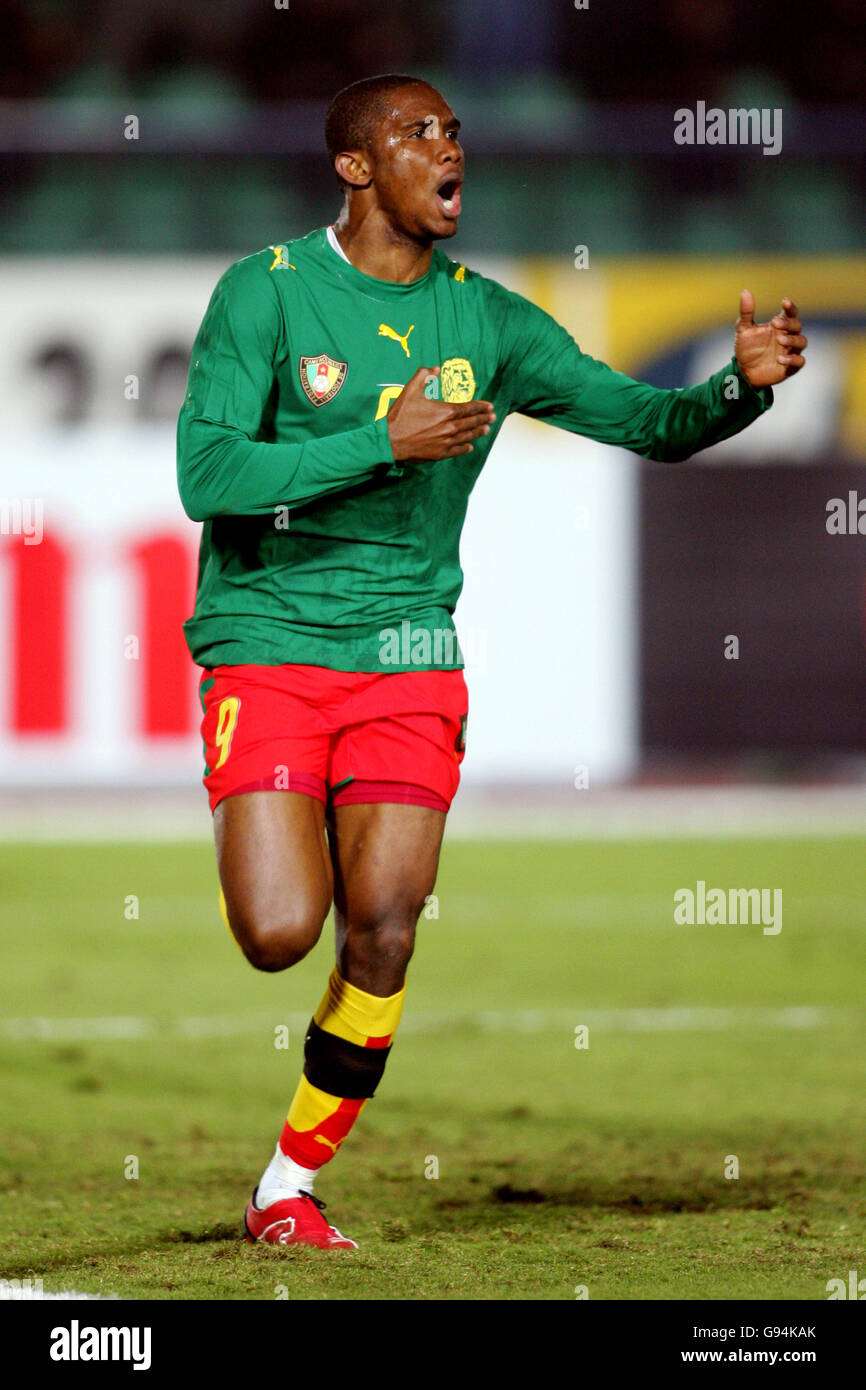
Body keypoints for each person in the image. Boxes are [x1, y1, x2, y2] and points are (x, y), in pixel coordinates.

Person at [177, 73, 807, 1250]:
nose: (447, 147)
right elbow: (205, 478)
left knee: (386, 930)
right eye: (416, 132)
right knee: (274, 932)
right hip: (268, 642)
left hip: (412, 654)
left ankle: (285, 1187)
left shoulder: (492, 323)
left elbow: (649, 423)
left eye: (455, 131)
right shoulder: (261, 295)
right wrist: (381, 441)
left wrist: (734, 390)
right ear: (355, 167)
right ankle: (274, 808)